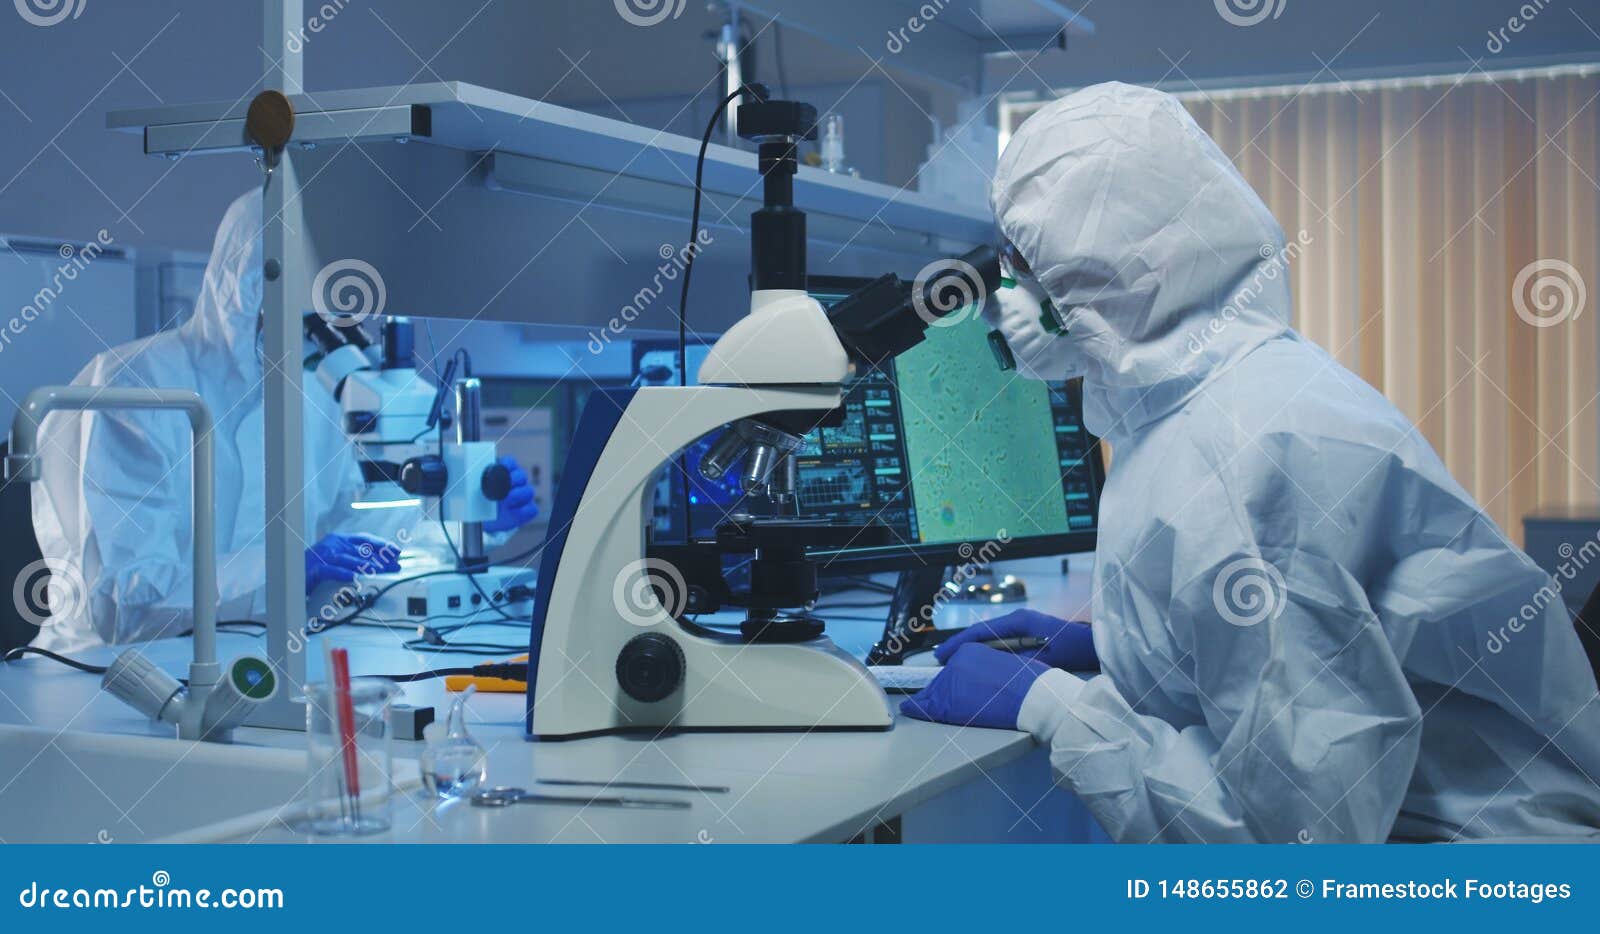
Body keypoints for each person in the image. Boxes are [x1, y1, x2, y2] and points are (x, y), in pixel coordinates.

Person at [902, 82, 1600, 842]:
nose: (1009, 294)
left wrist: (1053, 709)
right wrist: (1120, 648)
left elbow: (1290, 848)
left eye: (1028, 264)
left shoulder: (1243, 460)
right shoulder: (1228, 393)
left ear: (1114, 272)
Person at [30, 189, 540, 653]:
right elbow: (126, 607)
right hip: (103, 678)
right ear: (250, 284)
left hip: (261, 656)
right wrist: (287, 569)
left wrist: (461, 519)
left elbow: (345, 529)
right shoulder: (134, 388)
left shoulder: (314, 390)